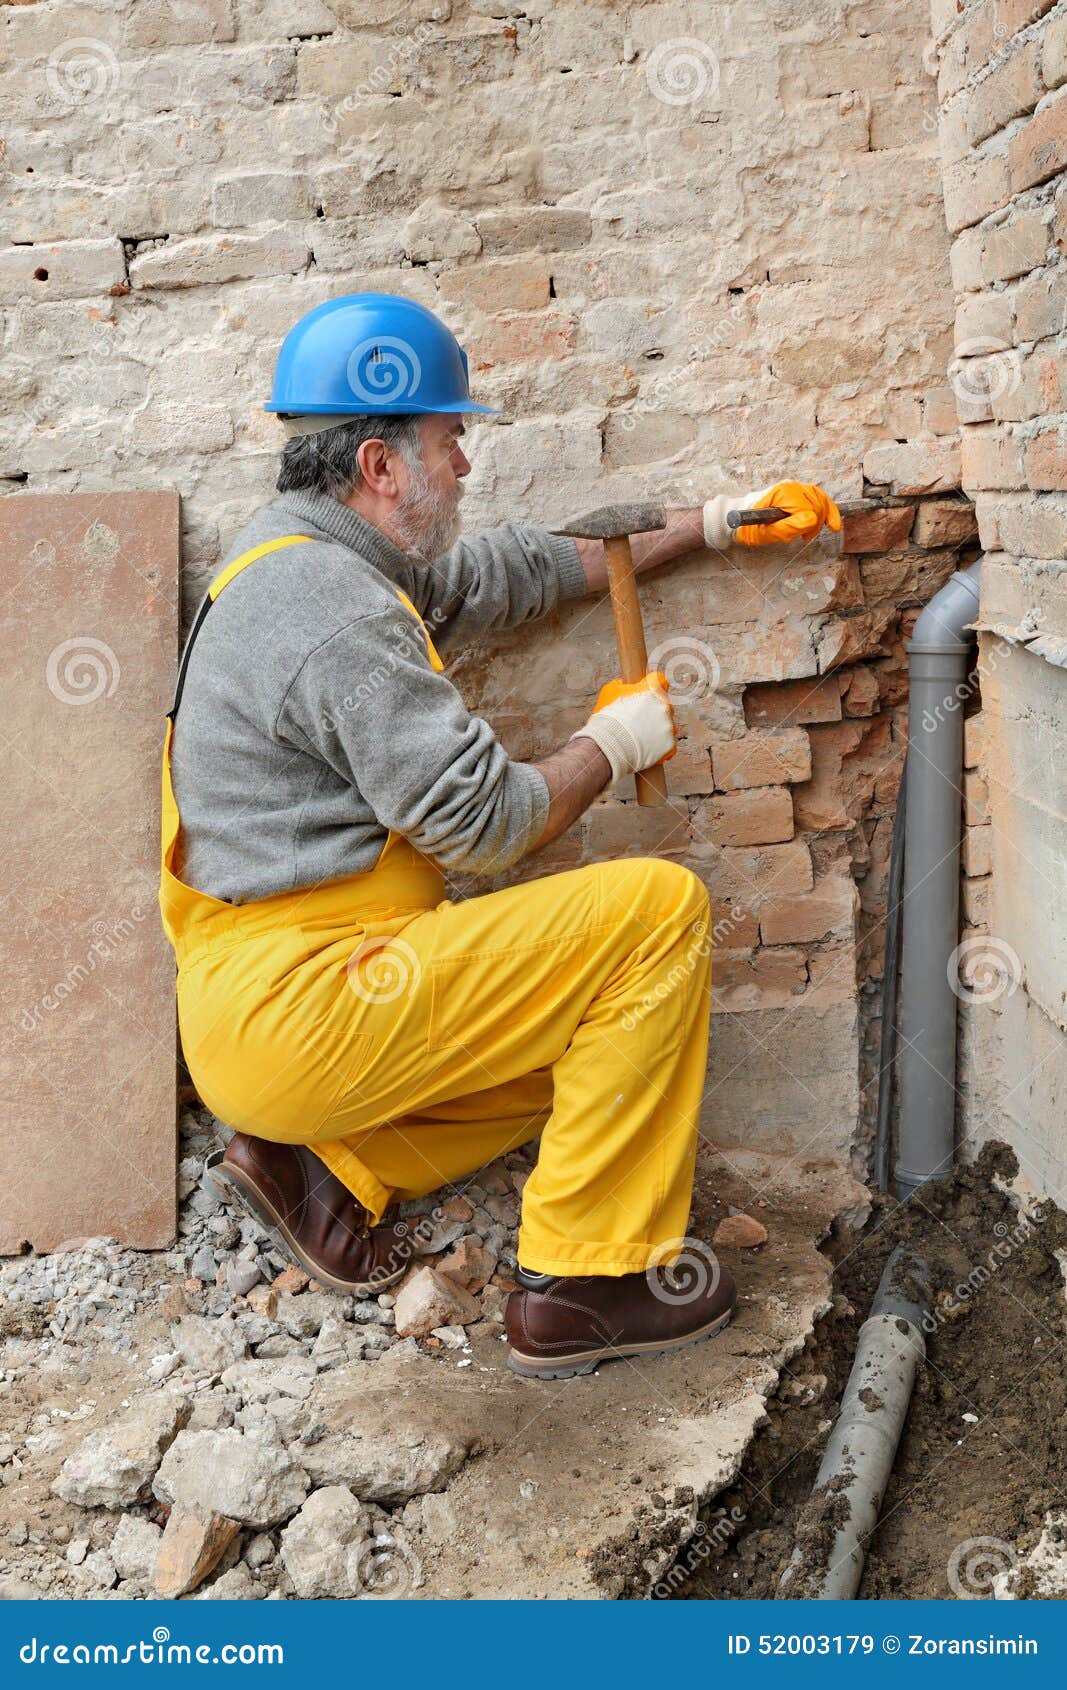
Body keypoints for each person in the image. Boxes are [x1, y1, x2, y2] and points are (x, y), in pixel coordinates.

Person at [158, 293, 840, 1380]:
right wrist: (609, 743)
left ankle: (330, 1167)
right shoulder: (332, 611)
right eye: (451, 439)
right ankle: (585, 1283)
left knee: (598, 1038)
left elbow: (503, 575)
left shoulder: (311, 557)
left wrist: (706, 523)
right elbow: (486, 824)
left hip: (269, 1007)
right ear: (382, 464)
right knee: (655, 916)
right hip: (300, 999)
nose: (466, 463)